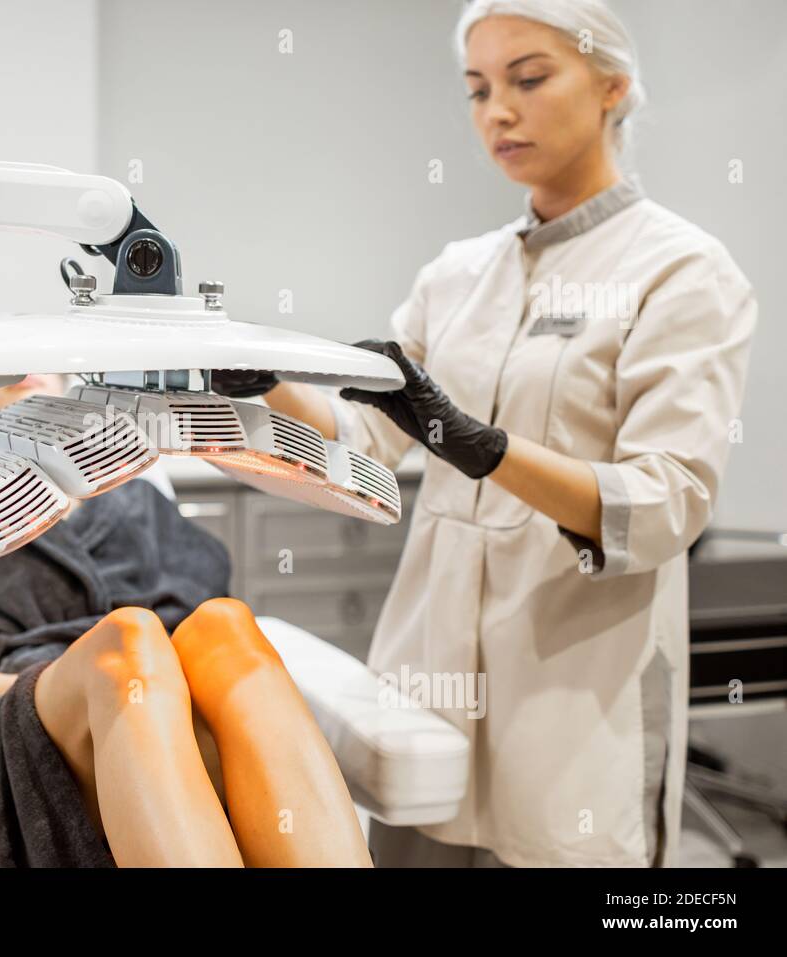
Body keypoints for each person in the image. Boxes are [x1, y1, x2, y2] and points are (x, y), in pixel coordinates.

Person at [219, 0, 757, 866]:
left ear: (613, 85)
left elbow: (666, 502)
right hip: (424, 676)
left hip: (574, 697)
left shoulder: (682, 270)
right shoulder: (457, 274)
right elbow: (366, 442)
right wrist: (265, 377)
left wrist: (485, 448)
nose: (496, 111)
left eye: (529, 79)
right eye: (476, 90)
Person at [0, 374, 373, 867]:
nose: (31, 372)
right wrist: (16, 686)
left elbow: (196, 615)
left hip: (164, 716)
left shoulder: (134, 500)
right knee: (128, 641)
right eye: (6, 374)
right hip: (9, 732)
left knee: (225, 623)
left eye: (45, 370)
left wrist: (156, 689)